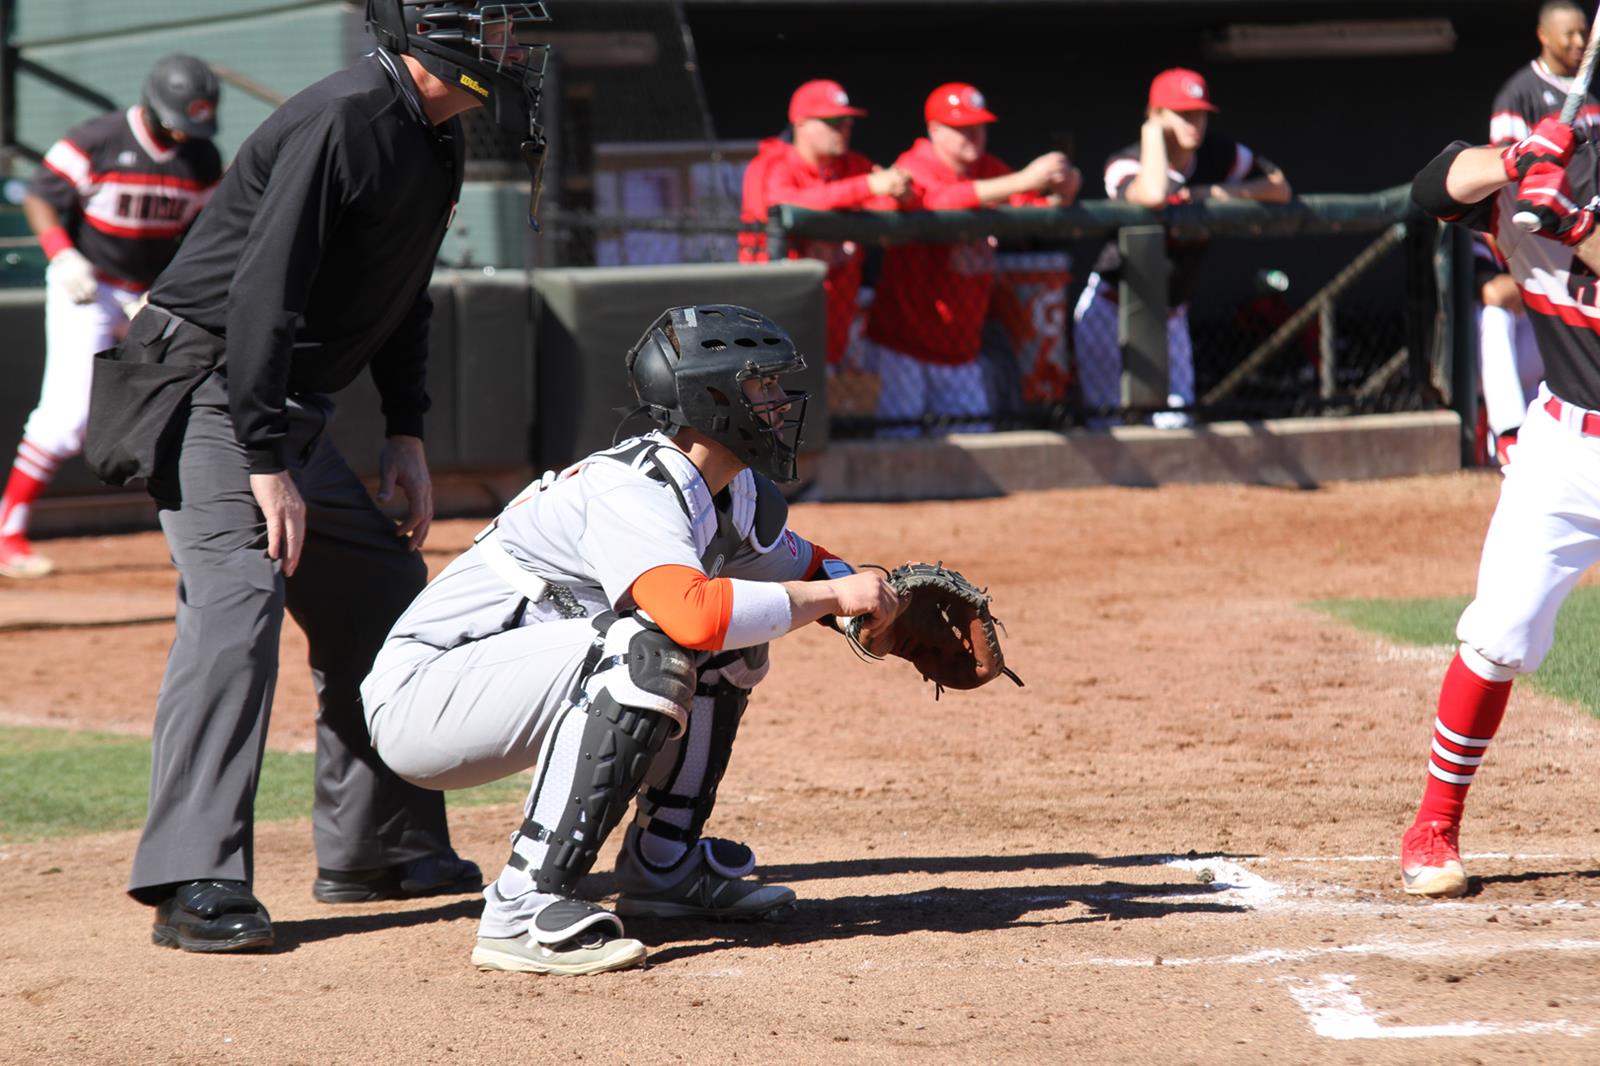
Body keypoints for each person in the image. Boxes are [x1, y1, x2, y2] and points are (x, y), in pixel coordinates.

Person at [106, 0, 555, 953]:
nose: (509, 49)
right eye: (492, 31)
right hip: (209, 386)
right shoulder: (343, 116)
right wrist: (266, 458)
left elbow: (403, 289)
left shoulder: (435, 137)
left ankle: (376, 846)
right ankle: (193, 878)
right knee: (237, 602)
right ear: (433, 38)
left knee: (382, 594)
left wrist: (407, 432)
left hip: (277, 407)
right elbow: (262, 288)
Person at [360, 304, 908, 976]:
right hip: (427, 698)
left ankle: (663, 865)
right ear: (712, 399)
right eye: (762, 385)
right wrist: (831, 598)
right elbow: (694, 615)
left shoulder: (727, 491)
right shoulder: (632, 488)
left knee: (736, 638)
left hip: (509, 679)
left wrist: (875, 603)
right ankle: (521, 908)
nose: (780, 401)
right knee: (656, 645)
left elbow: (808, 569)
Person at [1400, 107, 1600, 897]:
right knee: (1498, 635)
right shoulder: (1563, 163)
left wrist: (1569, 220)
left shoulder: (1567, 195)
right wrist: (1520, 157)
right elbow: (1431, 188)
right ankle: (1434, 826)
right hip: (1566, 443)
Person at [0, 56, 223, 578]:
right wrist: (62, 254)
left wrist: (166, 291)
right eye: (177, 120)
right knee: (66, 420)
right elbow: (40, 196)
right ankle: (8, 528)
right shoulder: (98, 137)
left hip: (151, 292)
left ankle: (203, 529)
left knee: (190, 402)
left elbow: (202, 234)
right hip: (88, 284)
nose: (182, 133)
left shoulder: (201, 157)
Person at [1072, 68, 1291, 429]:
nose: (1195, 123)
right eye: (1182, 113)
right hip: (1111, 311)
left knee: (1177, 427)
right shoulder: (1124, 162)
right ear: (1155, 115)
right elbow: (1154, 194)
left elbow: (1280, 187)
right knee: (1110, 427)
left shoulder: (1219, 153)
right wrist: (1152, 137)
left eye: (1200, 112)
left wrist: (1215, 193)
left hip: (1171, 316)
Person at [864, 82, 1079, 437]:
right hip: (903, 349)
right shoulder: (914, 163)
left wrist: (1064, 187)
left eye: (978, 125)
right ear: (934, 130)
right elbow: (937, 201)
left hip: (960, 350)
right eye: (961, 127)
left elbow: (1036, 202)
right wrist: (1022, 179)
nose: (973, 135)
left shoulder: (987, 168)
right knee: (899, 446)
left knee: (976, 442)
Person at [1478, 0, 1594, 463]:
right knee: (1493, 312)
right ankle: (1507, 435)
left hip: (1583, 260)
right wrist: (1521, 265)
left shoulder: (1593, 92)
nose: (1579, 43)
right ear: (1543, 36)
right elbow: (1497, 192)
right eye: (1568, 34)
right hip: (1538, 258)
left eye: (1584, 33)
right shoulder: (1520, 93)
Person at [738, 79, 910, 369]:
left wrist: (900, 191)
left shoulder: (851, 165)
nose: (844, 128)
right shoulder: (771, 164)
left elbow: (890, 202)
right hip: (778, 321)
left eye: (847, 121)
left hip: (837, 322)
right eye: (833, 121)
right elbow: (782, 202)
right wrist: (866, 186)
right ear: (800, 124)